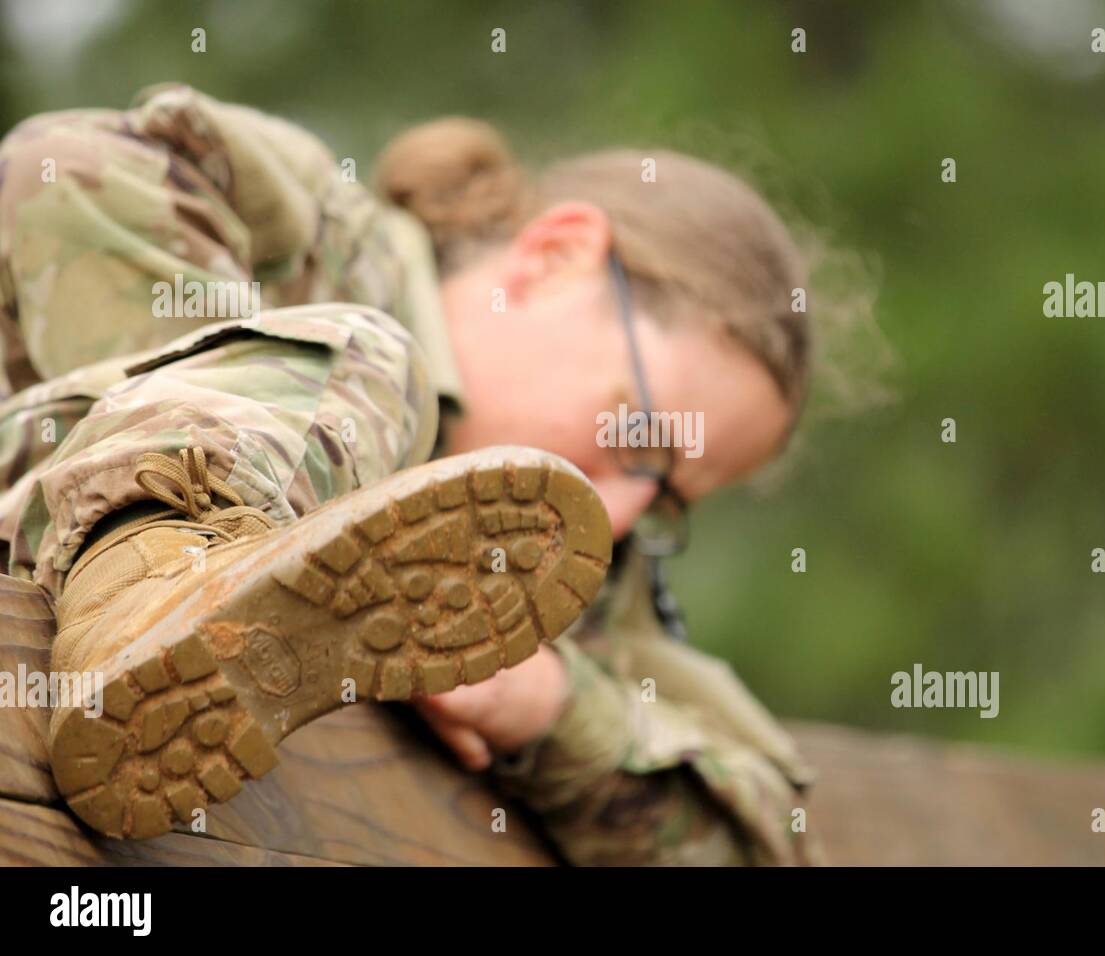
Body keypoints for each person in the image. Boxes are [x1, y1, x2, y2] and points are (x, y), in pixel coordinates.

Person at [0, 83, 823, 864]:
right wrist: (243, 490)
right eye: (639, 432)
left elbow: (770, 843)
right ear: (557, 256)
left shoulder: (559, 563)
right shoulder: (298, 223)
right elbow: (58, 168)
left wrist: (554, 712)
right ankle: (157, 564)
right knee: (379, 367)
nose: (620, 513)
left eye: (667, 502)